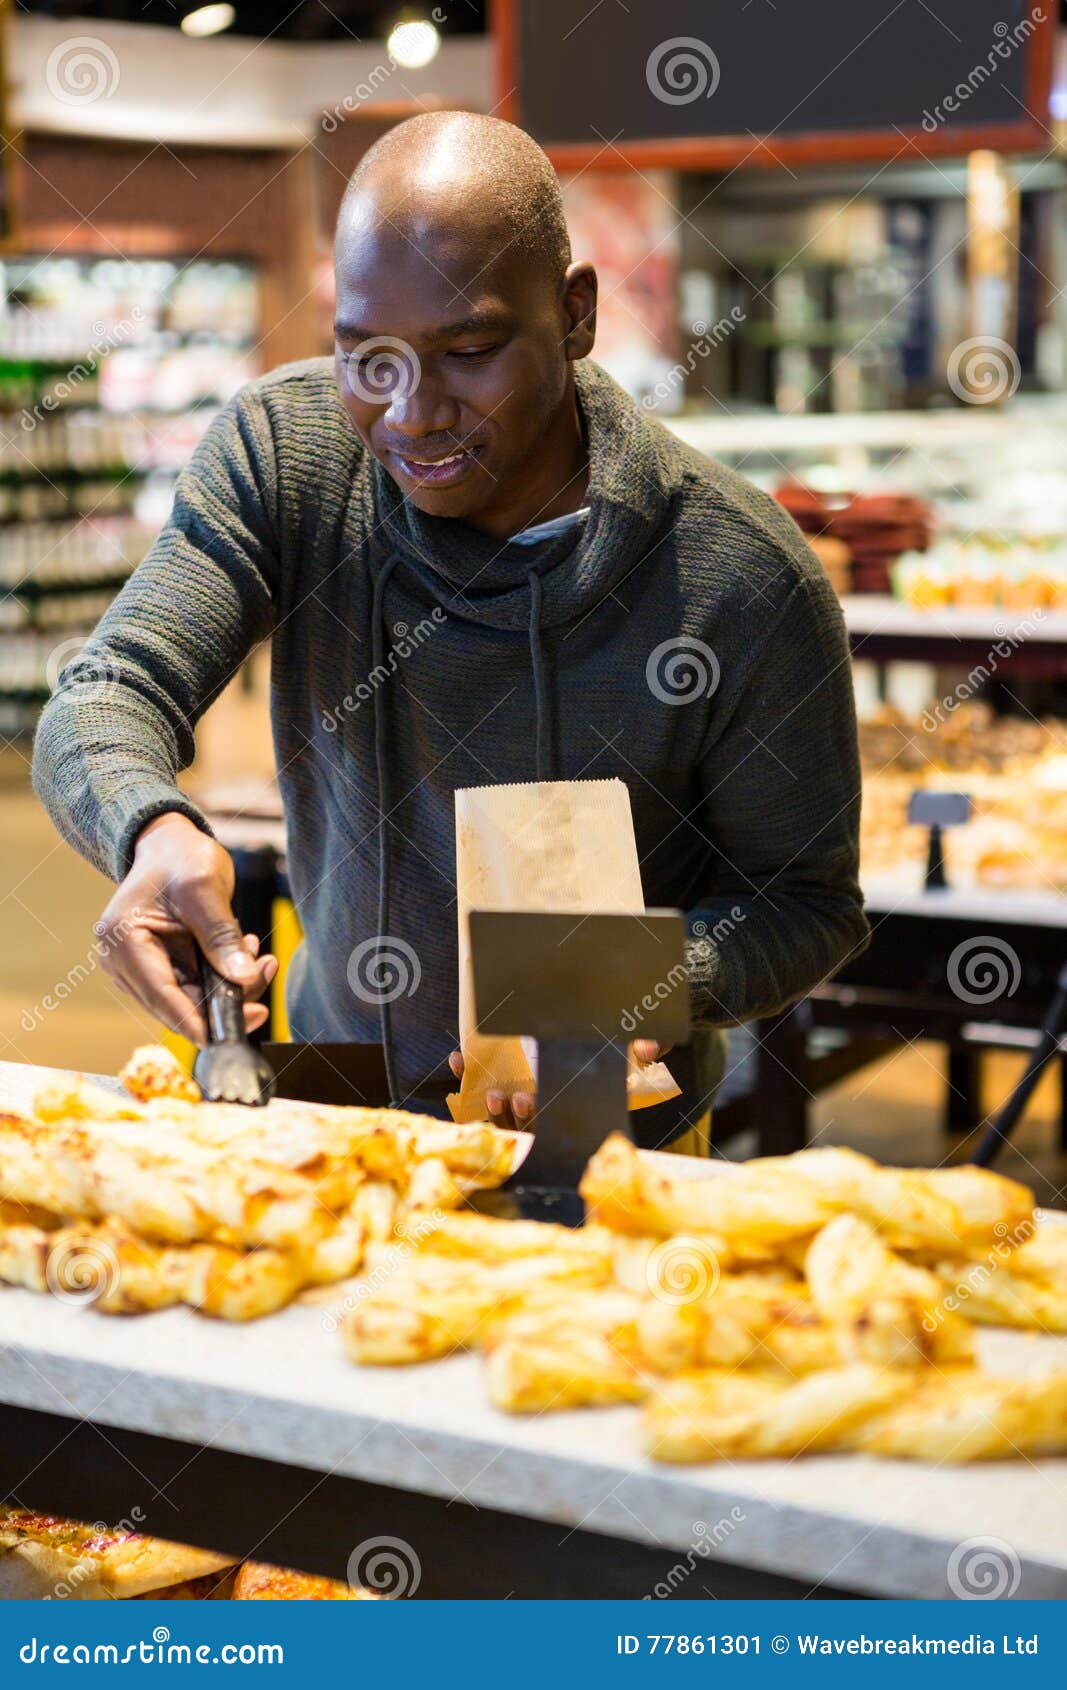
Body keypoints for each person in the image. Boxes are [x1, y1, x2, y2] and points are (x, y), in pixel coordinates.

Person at [33, 111, 868, 1146]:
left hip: (617, 1143)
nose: (412, 411)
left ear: (573, 314)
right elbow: (110, 688)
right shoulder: (287, 456)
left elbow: (804, 900)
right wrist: (147, 828)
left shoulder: (738, 575)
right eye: (365, 358)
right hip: (336, 1104)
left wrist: (646, 980)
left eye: (468, 351)